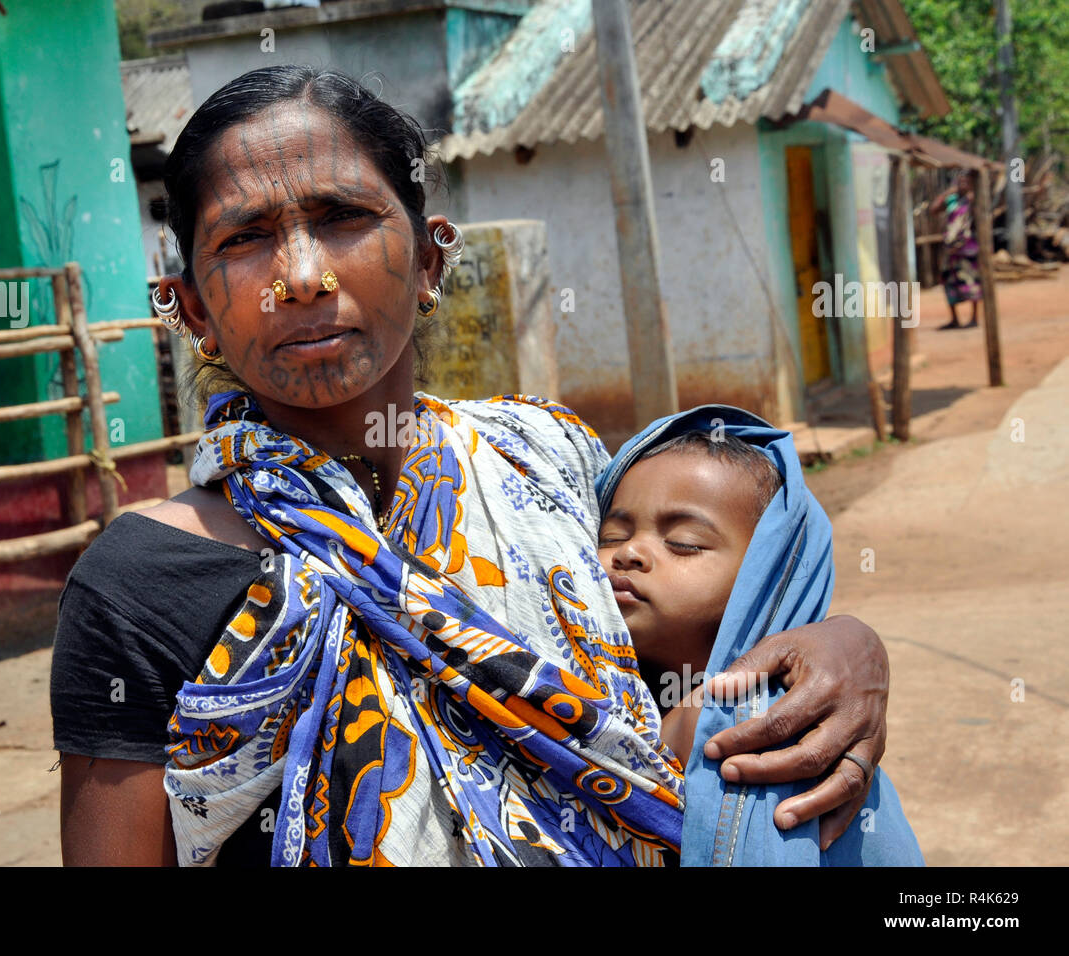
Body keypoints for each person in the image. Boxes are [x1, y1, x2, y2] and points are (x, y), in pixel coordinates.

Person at [52, 65, 899, 866]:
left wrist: (846, 643)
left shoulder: (546, 462)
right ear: (192, 307)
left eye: (344, 218)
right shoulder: (139, 584)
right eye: (245, 237)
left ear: (428, 259)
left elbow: (692, 641)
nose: (301, 278)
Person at [594, 405, 924, 865]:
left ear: (768, 578)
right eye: (610, 536)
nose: (629, 552)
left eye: (684, 542)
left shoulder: (755, 723)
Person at [930, 170, 984, 330]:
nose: (962, 185)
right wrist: (947, 193)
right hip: (951, 249)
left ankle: (974, 318)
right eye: (960, 182)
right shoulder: (952, 200)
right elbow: (933, 209)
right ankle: (955, 319)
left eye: (965, 182)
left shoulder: (972, 200)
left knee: (971, 281)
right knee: (949, 282)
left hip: (968, 248)